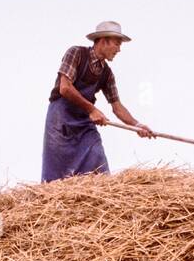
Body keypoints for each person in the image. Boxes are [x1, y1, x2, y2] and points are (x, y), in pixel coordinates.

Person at [41, 21, 155, 183]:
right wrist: (92, 110)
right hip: (61, 119)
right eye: (117, 44)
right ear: (103, 40)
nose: (119, 49)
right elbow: (65, 88)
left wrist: (136, 125)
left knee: (97, 160)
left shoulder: (106, 74)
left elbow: (117, 107)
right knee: (57, 175)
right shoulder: (76, 54)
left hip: (83, 122)